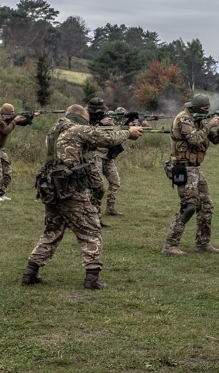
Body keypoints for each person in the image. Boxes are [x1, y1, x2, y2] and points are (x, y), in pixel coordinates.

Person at [20, 104, 143, 289]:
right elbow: (106, 138)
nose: (88, 120)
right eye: (86, 117)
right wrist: (128, 132)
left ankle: (30, 273)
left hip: (53, 188)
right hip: (71, 189)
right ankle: (92, 278)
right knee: (91, 231)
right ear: (79, 116)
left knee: (52, 231)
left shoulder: (55, 130)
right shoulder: (77, 130)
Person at [163, 93, 219, 256]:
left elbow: (215, 139)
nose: (207, 112)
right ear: (196, 108)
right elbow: (194, 140)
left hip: (195, 168)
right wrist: (209, 125)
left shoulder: (199, 120)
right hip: (182, 166)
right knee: (189, 206)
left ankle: (203, 243)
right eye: (205, 110)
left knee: (206, 206)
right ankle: (170, 245)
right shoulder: (184, 119)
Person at [0, 103, 27, 201]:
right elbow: (5, 130)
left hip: (0, 148)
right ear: (5, 112)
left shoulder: (7, 118)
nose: (13, 114)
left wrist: (31, 117)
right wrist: (14, 121)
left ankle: (1, 193)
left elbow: (22, 123)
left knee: (7, 172)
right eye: (11, 113)